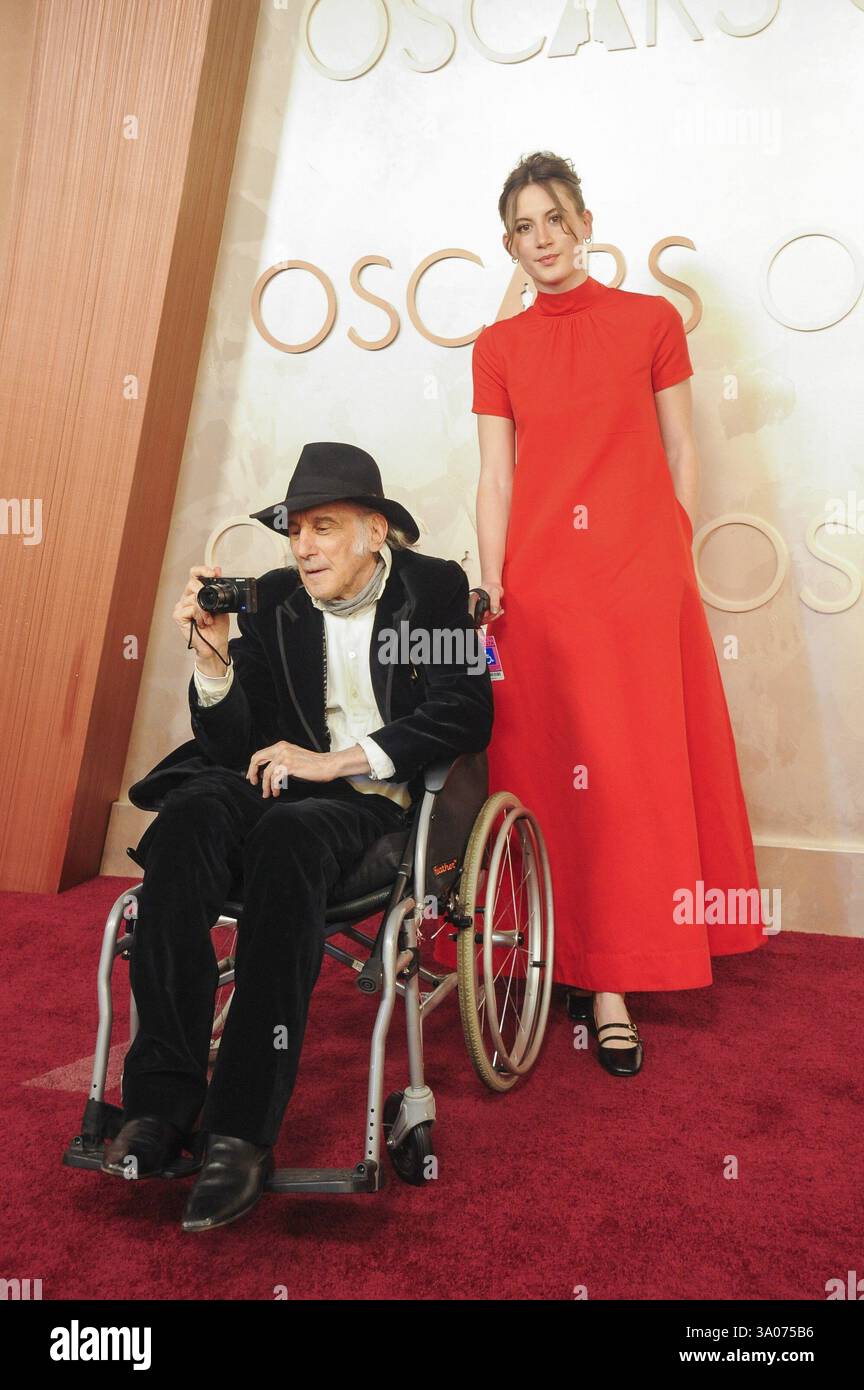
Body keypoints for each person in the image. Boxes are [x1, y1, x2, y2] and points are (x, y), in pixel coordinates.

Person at [102, 441, 493, 1231]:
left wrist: (335, 761)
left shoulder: (432, 591)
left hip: (367, 796)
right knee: (182, 825)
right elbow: (226, 744)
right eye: (294, 530)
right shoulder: (276, 599)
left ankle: (240, 1132)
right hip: (271, 779)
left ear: (375, 531)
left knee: (287, 844)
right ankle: (159, 1106)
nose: (303, 546)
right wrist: (213, 658)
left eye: (323, 526)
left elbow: (465, 712)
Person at [471, 150, 766, 1077]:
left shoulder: (650, 321)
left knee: (632, 780)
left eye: (554, 219)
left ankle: (614, 987)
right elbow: (496, 476)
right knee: (547, 773)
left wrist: (668, 548)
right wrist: (496, 581)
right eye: (524, 227)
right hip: (543, 588)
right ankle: (553, 950)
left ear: (585, 223)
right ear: (510, 245)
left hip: (640, 583)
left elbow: (684, 447)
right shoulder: (497, 346)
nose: (542, 240)